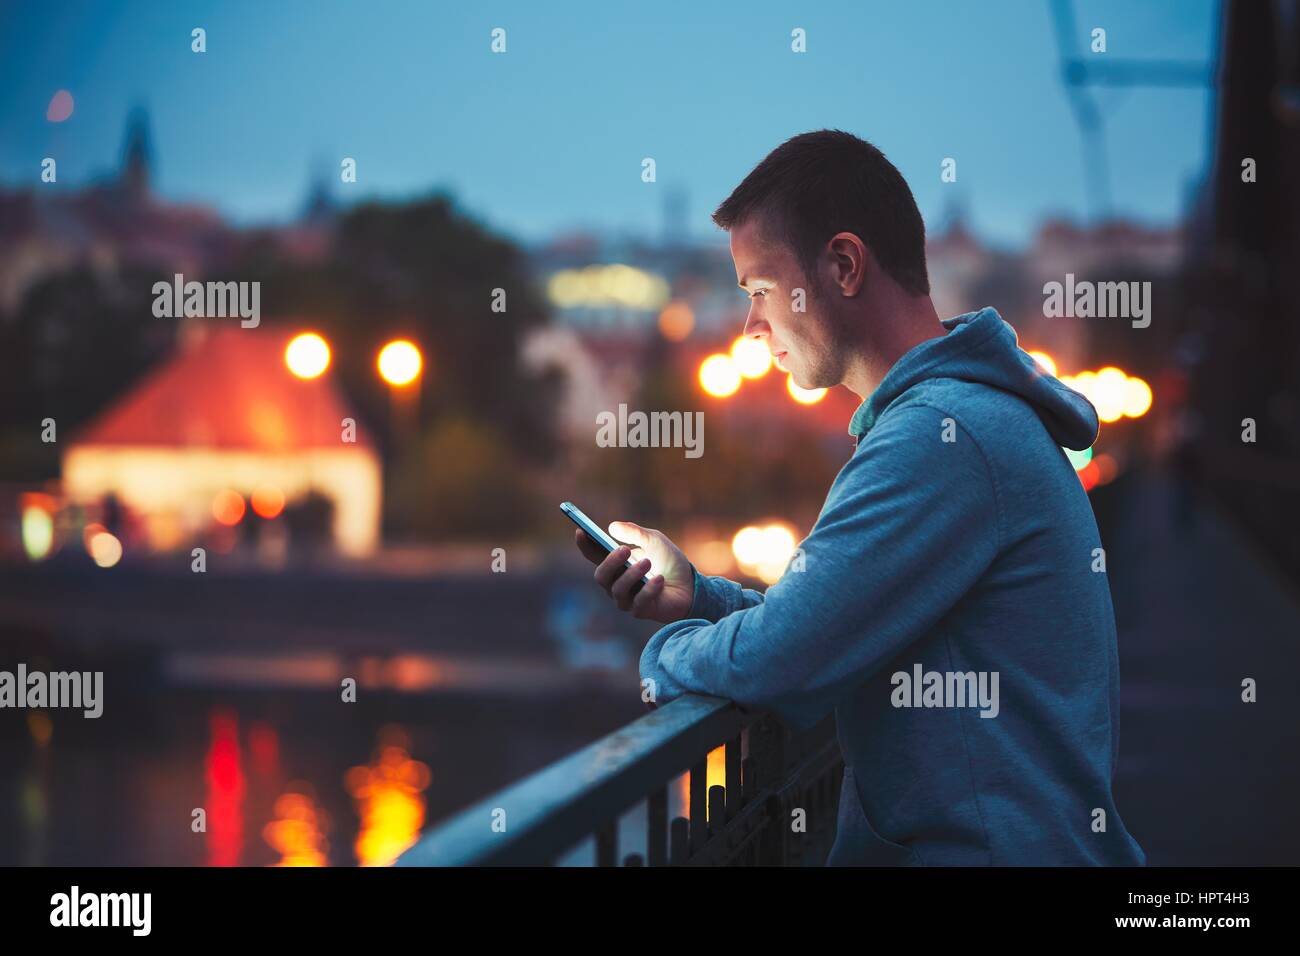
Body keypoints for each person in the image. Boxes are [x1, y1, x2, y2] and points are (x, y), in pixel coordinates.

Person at [573, 129, 1145, 866]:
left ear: (842, 266)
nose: (751, 326)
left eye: (759, 291)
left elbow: (782, 658)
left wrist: (666, 653)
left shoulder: (941, 438)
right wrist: (700, 599)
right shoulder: (965, 420)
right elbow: (840, 623)